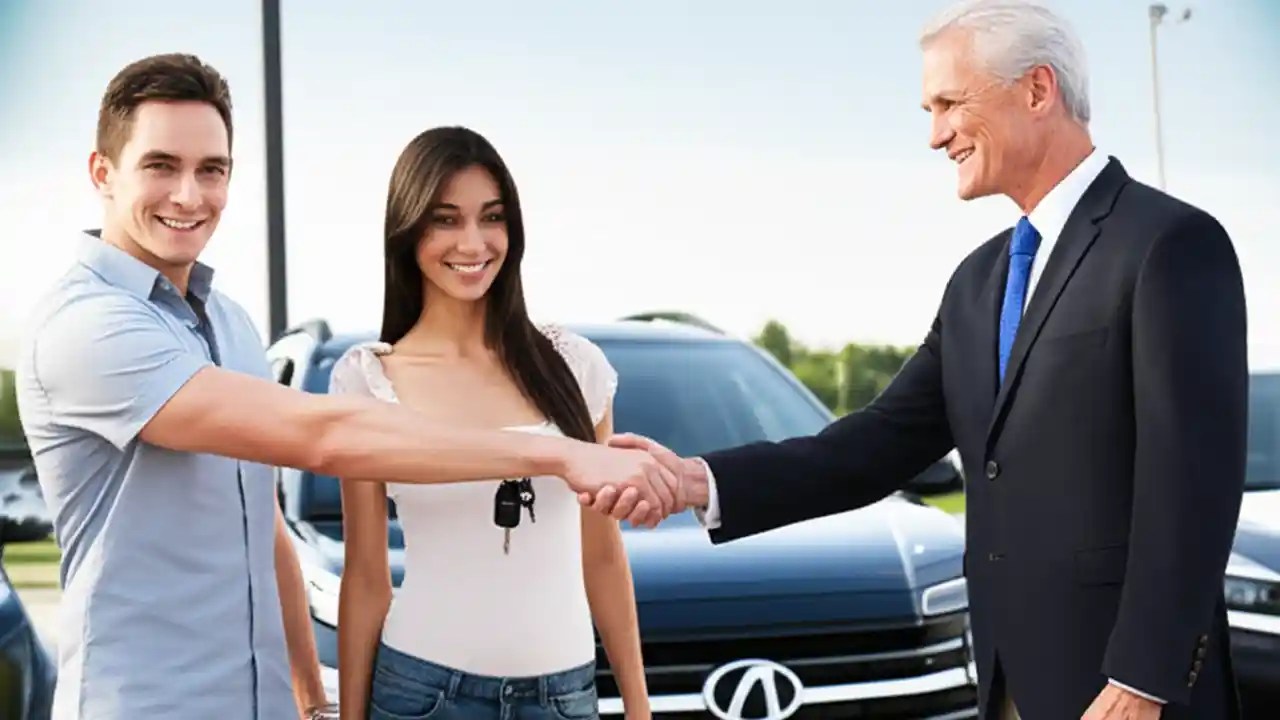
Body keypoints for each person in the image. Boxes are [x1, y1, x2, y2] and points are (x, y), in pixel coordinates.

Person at [598, 1, 1249, 718]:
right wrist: (698, 479)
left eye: (949, 103)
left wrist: (1140, 681)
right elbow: (873, 444)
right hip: (1009, 681)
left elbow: (1192, 489)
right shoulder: (978, 282)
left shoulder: (1169, 245)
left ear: (1037, 90)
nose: (936, 135)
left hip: (1125, 693)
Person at [15, 54, 674, 720]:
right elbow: (325, 437)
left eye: (211, 169)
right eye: (161, 165)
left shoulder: (230, 324)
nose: (190, 195)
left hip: (264, 703)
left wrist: (310, 695)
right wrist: (557, 453)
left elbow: (263, 522)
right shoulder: (86, 328)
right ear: (102, 172)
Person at [329, 126, 650, 720]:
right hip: (424, 693)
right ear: (408, 231)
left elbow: (602, 555)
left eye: (491, 217)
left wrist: (638, 707)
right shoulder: (368, 380)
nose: (472, 242)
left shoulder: (573, 367)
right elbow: (367, 575)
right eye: (445, 219)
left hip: (565, 696)